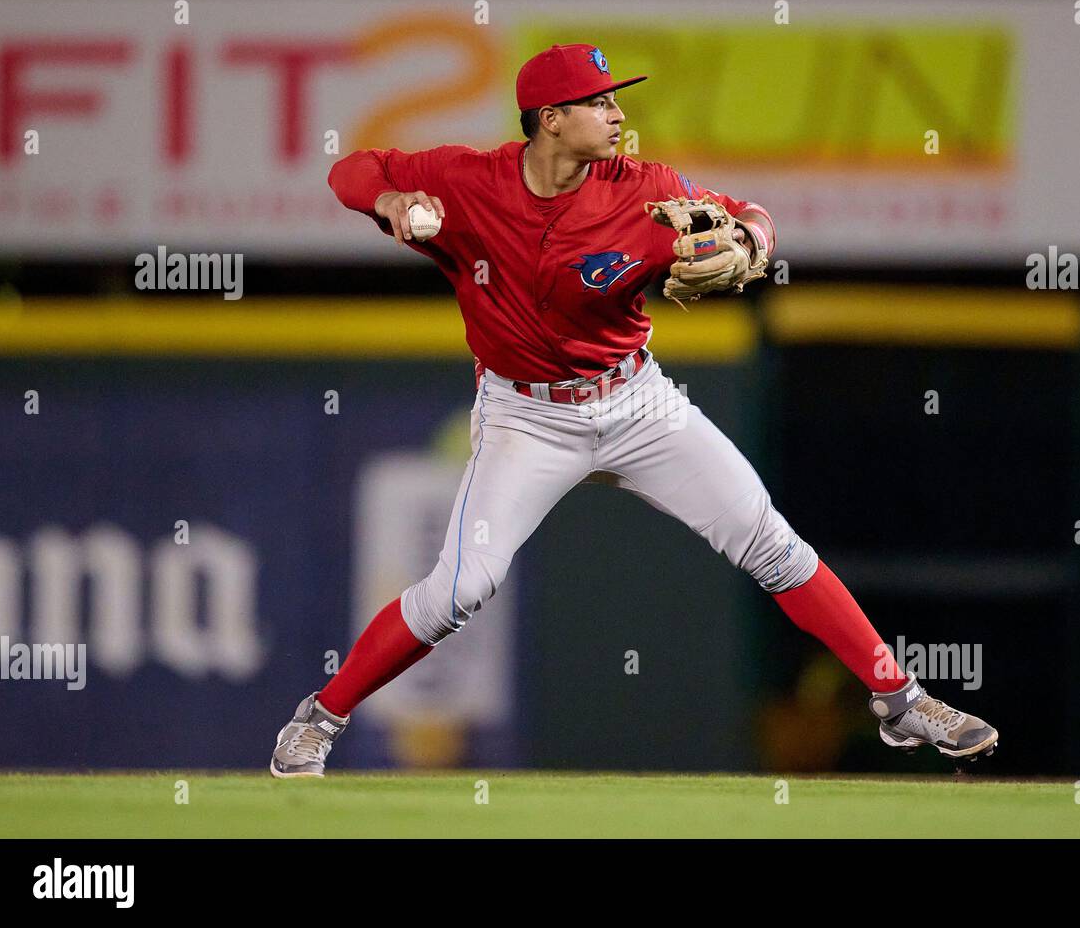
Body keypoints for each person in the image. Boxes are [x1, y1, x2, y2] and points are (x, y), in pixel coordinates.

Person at [271, 43, 997, 777]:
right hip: (527, 418)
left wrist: (748, 239)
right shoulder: (466, 181)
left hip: (637, 401)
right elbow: (350, 170)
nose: (617, 115)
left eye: (615, 100)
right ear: (550, 120)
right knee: (459, 589)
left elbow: (750, 215)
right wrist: (391, 201)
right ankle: (320, 718)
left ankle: (901, 703)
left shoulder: (643, 188)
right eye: (599, 102)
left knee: (771, 543)